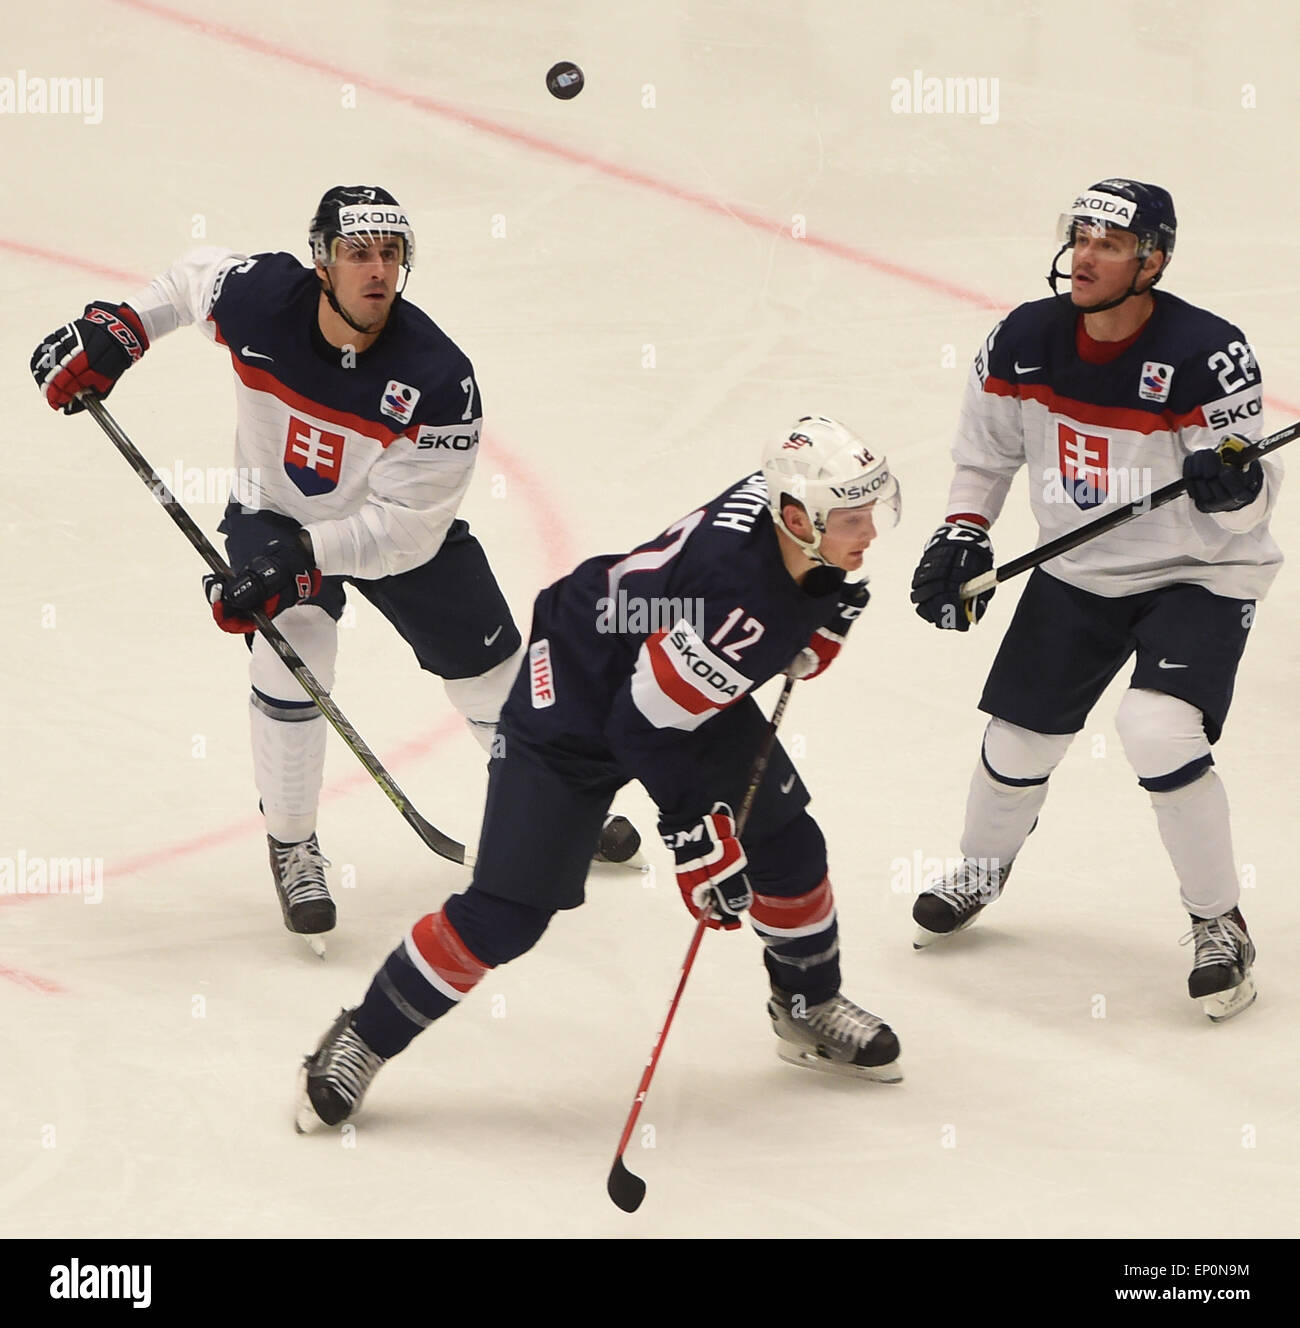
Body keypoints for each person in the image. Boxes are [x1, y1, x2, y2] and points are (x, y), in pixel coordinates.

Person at [30, 184, 638, 953]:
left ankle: (548, 806)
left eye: (391, 254)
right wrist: (124, 328)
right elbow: (189, 281)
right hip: (273, 512)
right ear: (322, 260)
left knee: (489, 669)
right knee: (296, 643)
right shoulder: (261, 298)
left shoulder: (440, 378)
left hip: (387, 527)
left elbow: (409, 534)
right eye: (358, 253)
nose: (377, 270)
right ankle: (293, 844)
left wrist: (306, 557)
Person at [294, 415, 905, 1133]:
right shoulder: (739, 603)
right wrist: (692, 835)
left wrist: (816, 610)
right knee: (505, 916)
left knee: (789, 845)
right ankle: (363, 1037)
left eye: (870, 510)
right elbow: (641, 726)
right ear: (798, 517)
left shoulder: (783, 512)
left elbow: (714, 658)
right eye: (854, 518)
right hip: (575, 708)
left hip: (667, 670)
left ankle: (806, 1009)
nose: (869, 532)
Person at [908, 178, 1282, 1021]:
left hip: (1199, 570)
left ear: (1154, 260)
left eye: (1109, 244)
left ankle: (1219, 920)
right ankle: (986, 864)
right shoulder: (1023, 338)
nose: (1084, 255)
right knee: (1017, 742)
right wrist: (962, 532)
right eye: (1079, 236)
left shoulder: (1207, 353)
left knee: (1156, 728)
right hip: (1080, 567)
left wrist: (1231, 485)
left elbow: (1254, 504)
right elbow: (985, 454)